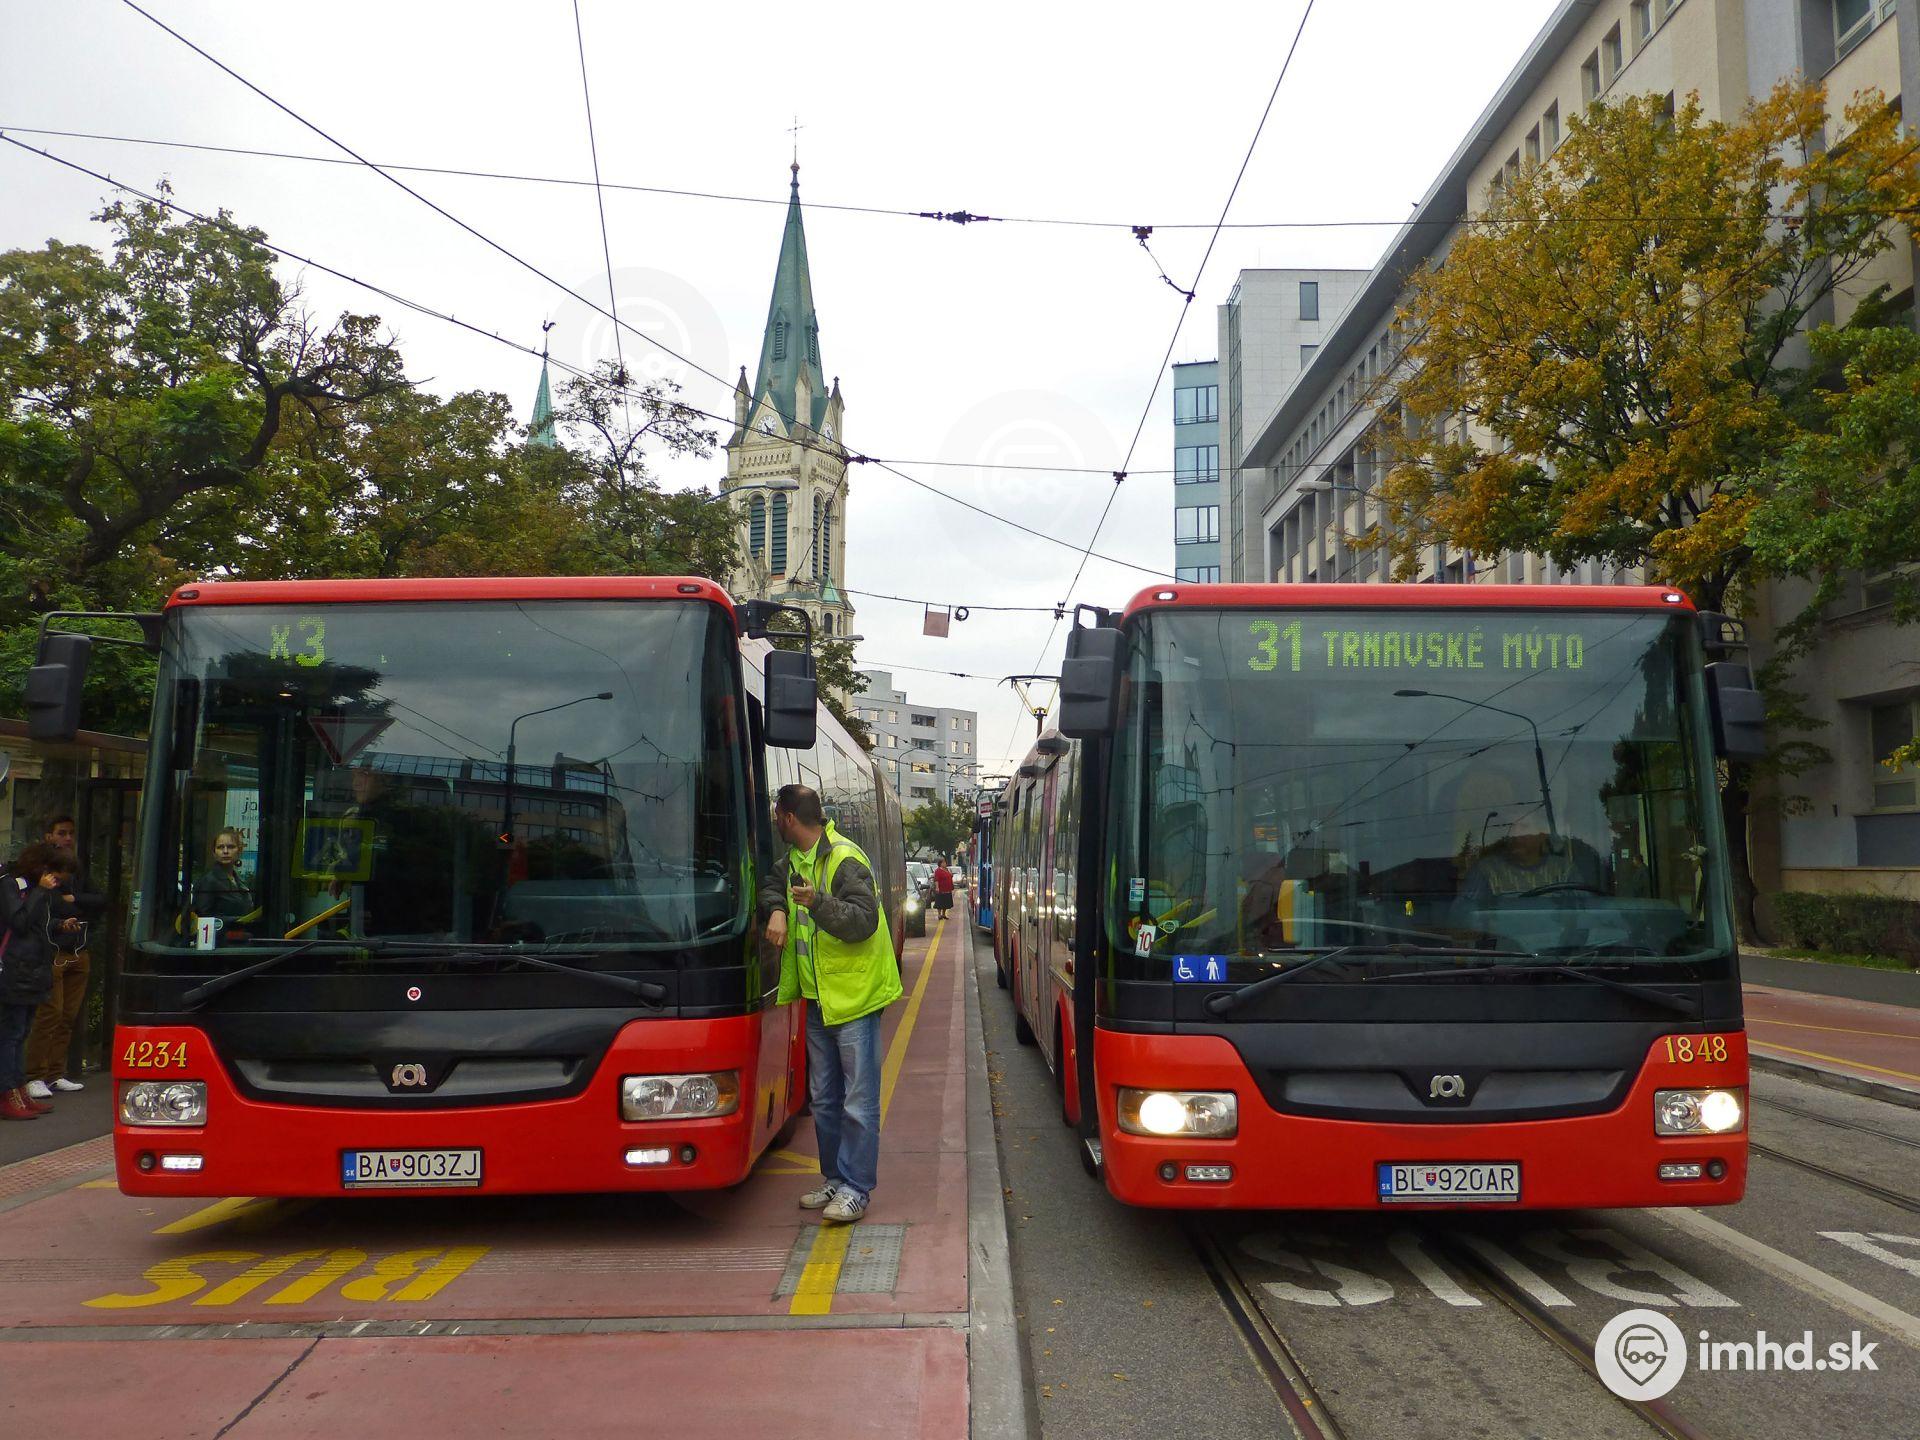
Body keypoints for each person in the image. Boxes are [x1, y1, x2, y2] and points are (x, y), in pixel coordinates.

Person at [760, 783, 901, 1225]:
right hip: (818, 999)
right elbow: (770, 882)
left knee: (858, 1101)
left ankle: (857, 1188)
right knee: (823, 1098)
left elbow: (863, 921)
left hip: (855, 1000)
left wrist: (816, 903)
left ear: (786, 817)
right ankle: (835, 1179)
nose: (774, 822)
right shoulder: (794, 861)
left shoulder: (844, 858)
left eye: (775, 815)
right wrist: (777, 910)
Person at [25, 817, 96, 1099]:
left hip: (78, 949)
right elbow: (42, 912)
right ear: (48, 837)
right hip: (54, 952)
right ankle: (34, 1075)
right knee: (49, 1014)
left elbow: (98, 900)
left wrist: (75, 901)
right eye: (61, 834)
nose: (67, 839)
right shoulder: (40, 878)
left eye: (71, 833)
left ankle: (55, 1073)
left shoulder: (75, 872)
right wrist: (68, 906)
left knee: (67, 1016)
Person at [3, 843, 72, 1120]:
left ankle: (20, 1091)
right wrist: (40, 892)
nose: (53, 880)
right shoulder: (11, 885)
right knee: (11, 1034)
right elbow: (18, 923)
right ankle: (7, 1093)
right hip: (13, 971)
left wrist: (57, 924)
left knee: (22, 1033)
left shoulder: (35, 892)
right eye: (51, 873)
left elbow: (36, 926)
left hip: (33, 971)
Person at [192, 827, 256, 928]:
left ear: (239, 851)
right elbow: (203, 918)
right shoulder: (209, 880)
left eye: (231, 847)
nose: (225, 851)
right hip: (219, 939)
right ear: (214, 852)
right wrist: (237, 920)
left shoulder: (240, 880)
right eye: (220, 847)